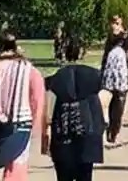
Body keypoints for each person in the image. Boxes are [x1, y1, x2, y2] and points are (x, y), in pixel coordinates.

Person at [0, 30, 45, 181]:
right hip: (20, 122)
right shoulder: (28, 69)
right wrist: (37, 127)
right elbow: (37, 99)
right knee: (16, 165)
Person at [41, 37, 104, 181]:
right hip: (87, 133)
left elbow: (49, 112)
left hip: (63, 133)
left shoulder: (55, 79)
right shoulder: (95, 76)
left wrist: (46, 137)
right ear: (82, 52)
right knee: (85, 176)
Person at [101, 34, 128, 147]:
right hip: (119, 87)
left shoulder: (111, 52)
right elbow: (121, 71)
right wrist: (124, 86)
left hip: (109, 86)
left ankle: (109, 133)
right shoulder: (120, 53)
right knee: (117, 113)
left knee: (110, 111)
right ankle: (113, 135)